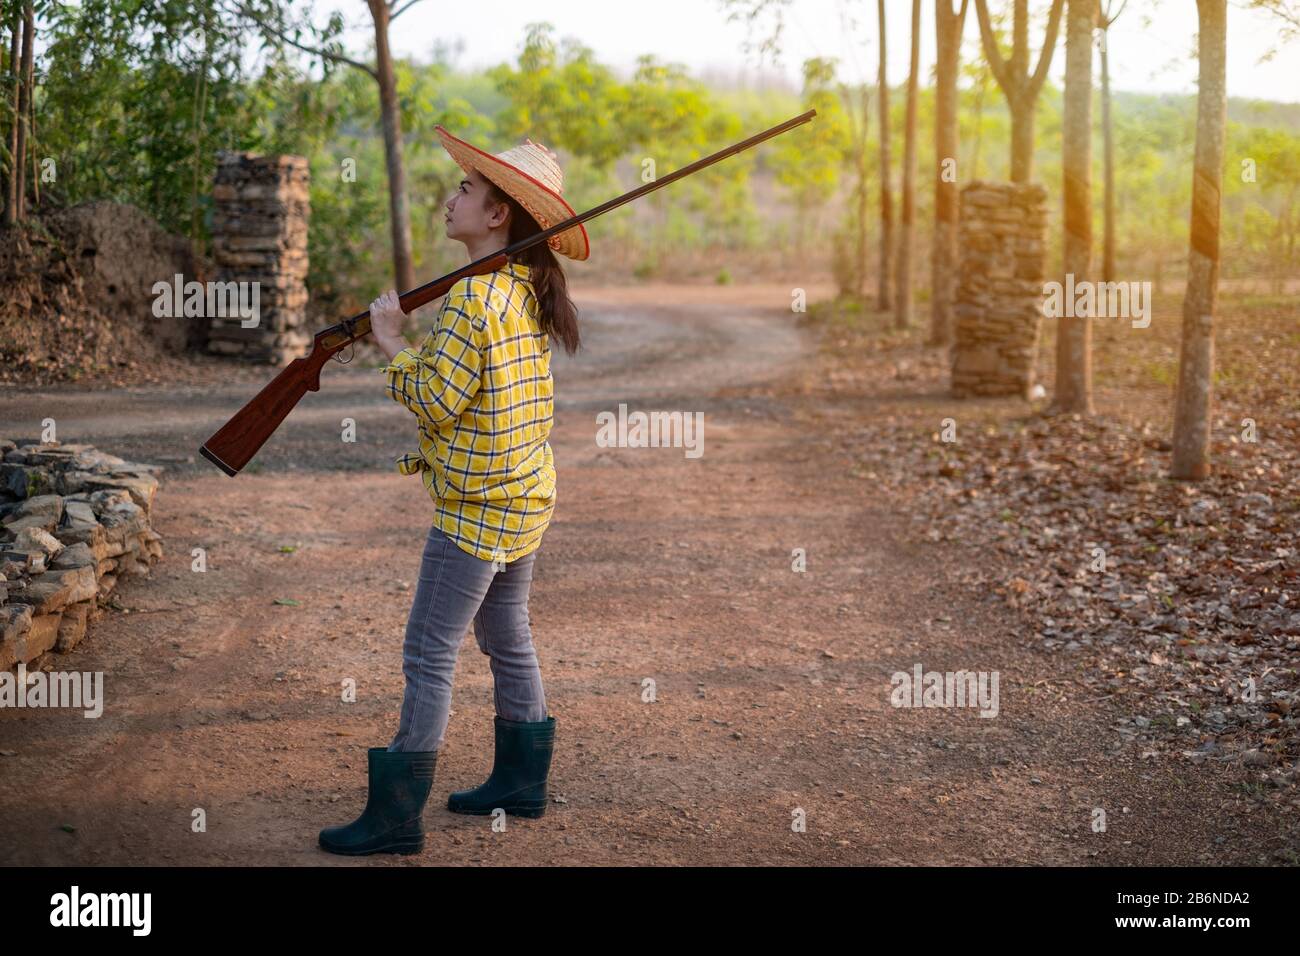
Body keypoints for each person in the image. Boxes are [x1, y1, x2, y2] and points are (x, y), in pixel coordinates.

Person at [318, 129, 589, 855]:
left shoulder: (473, 298)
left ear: (499, 216)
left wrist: (388, 340)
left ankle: (396, 816)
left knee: (428, 651)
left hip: (474, 511)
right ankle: (520, 782)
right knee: (507, 632)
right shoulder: (525, 287)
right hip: (525, 496)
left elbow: (436, 399)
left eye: (467, 190)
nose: (452, 197)